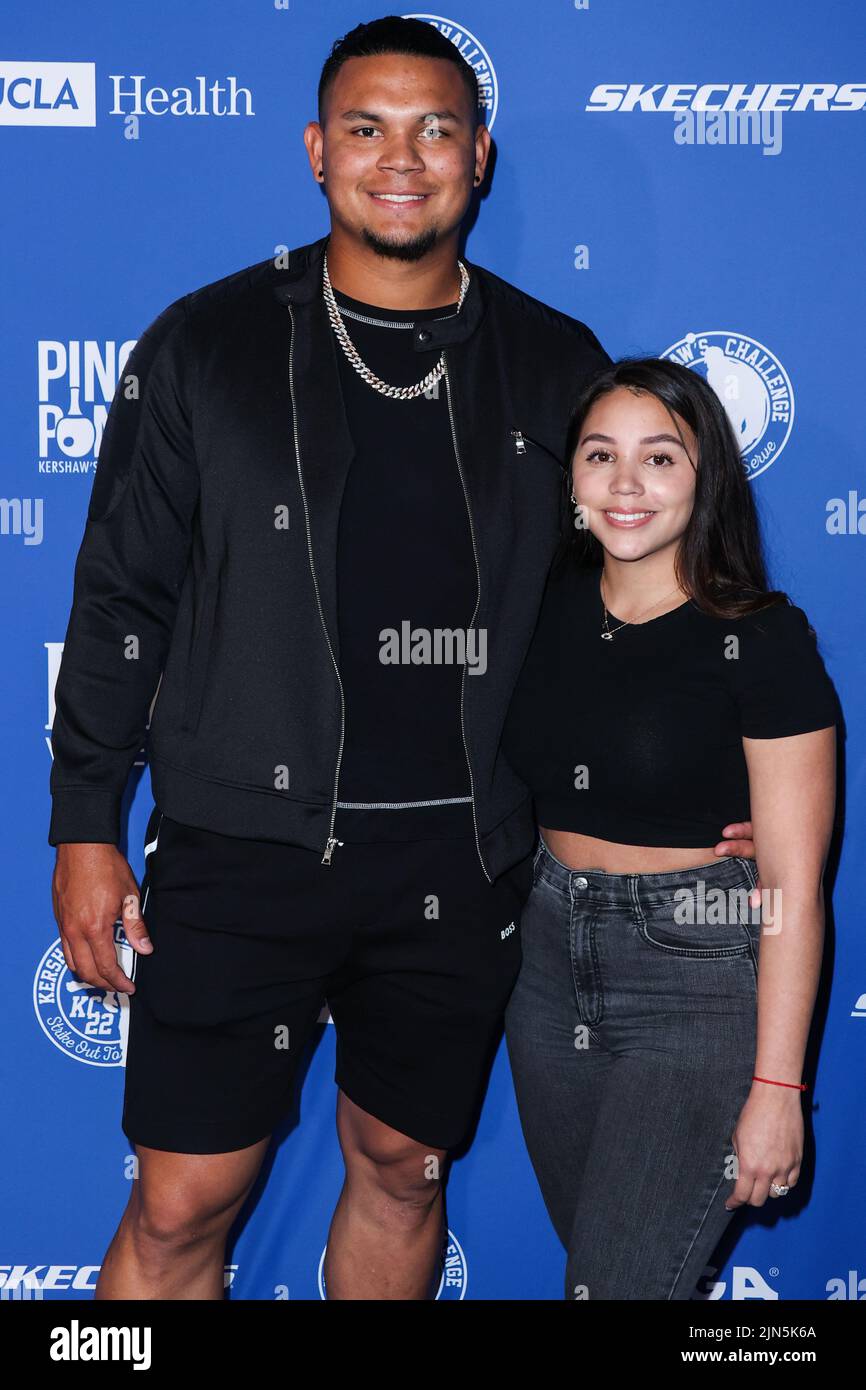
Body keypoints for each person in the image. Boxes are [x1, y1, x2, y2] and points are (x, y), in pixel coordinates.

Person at [48, 18, 755, 1301]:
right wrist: (84, 824)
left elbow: (625, 612)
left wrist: (710, 795)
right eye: (366, 128)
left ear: (476, 157)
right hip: (238, 848)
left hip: (462, 855)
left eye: (433, 129)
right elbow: (117, 603)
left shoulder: (555, 366)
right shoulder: (204, 348)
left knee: (398, 1163)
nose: (400, 159)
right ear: (318, 152)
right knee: (180, 1202)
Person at [501, 357, 838, 1300]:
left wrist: (778, 1091)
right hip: (543, 968)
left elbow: (792, 889)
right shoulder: (538, 603)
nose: (626, 484)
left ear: (705, 478)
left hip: (690, 975)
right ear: (569, 476)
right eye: (601, 455)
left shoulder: (762, 637)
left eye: (660, 458)